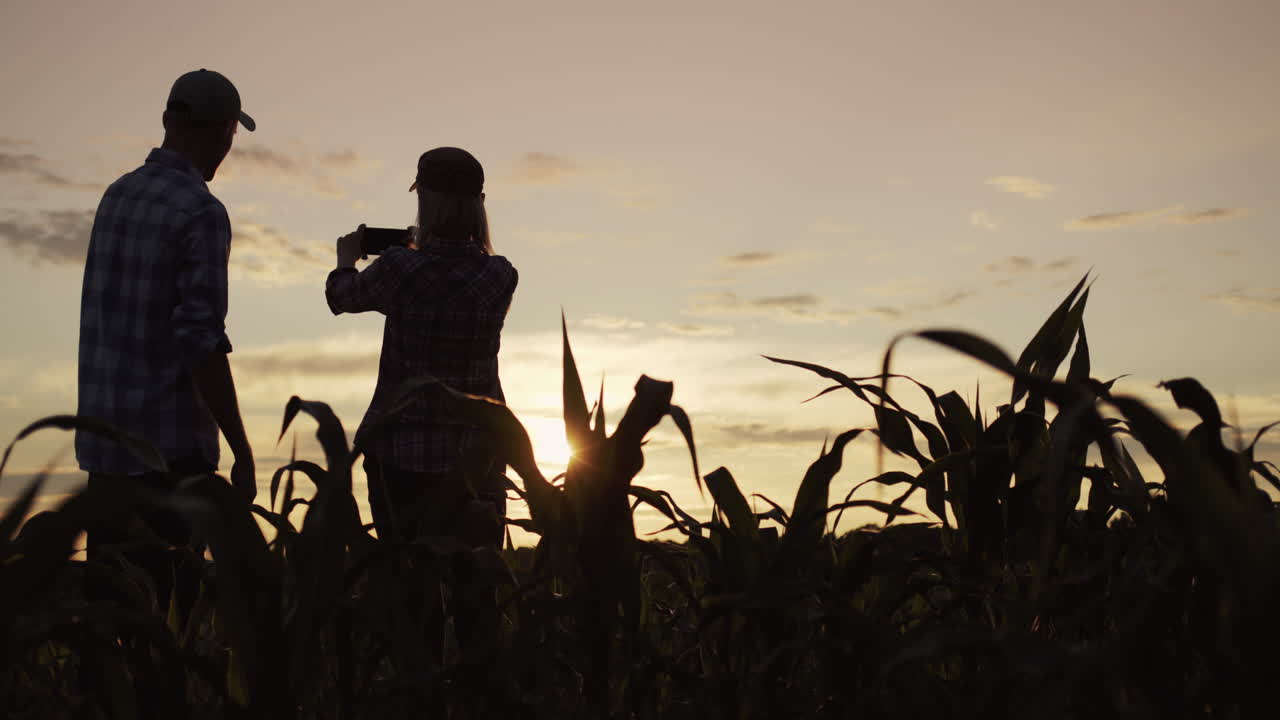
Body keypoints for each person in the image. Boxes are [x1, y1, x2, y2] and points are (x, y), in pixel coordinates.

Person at [76, 69, 258, 618]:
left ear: (166, 121)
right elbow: (200, 340)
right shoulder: (201, 212)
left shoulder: (117, 196)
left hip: (105, 452)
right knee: (164, 634)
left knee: (108, 629)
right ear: (225, 133)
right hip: (169, 457)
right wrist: (242, 447)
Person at [326, 146, 517, 545]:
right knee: (474, 586)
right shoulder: (500, 277)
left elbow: (340, 297)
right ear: (480, 204)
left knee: (408, 584)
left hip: (401, 456)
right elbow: (453, 274)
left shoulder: (399, 268)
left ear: (424, 200)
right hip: (476, 460)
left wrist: (346, 259)